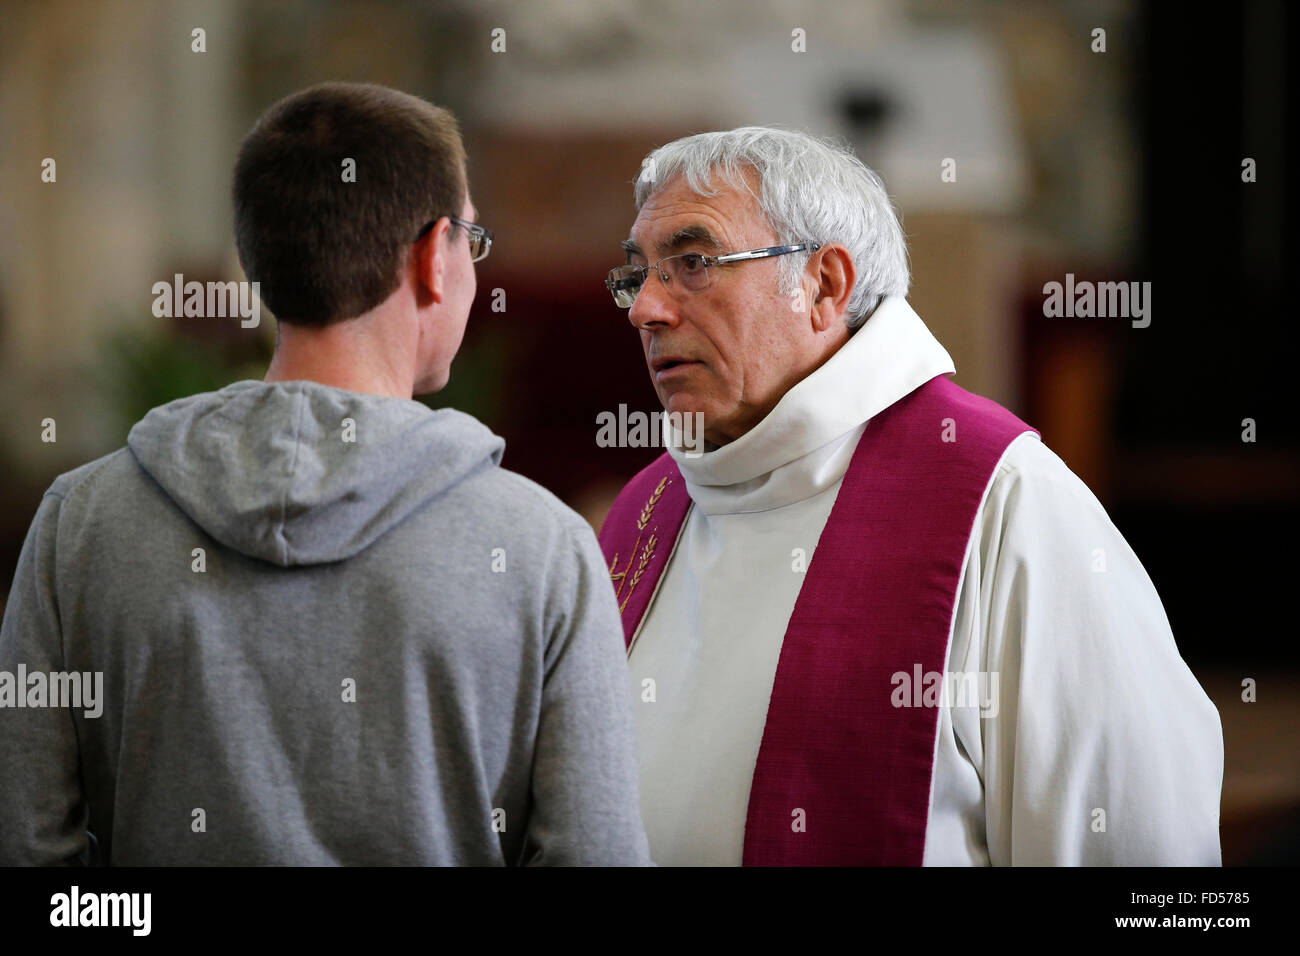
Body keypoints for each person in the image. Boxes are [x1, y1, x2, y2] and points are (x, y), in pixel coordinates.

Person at [0, 82, 651, 866]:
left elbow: (29, 849)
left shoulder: (81, 522)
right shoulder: (540, 545)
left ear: (256, 258)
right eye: (471, 243)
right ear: (430, 258)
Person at [599, 126, 1223, 865]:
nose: (645, 310)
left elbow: (1133, 844)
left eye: (694, 264)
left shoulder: (1005, 502)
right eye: (638, 275)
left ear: (824, 284)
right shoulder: (647, 513)